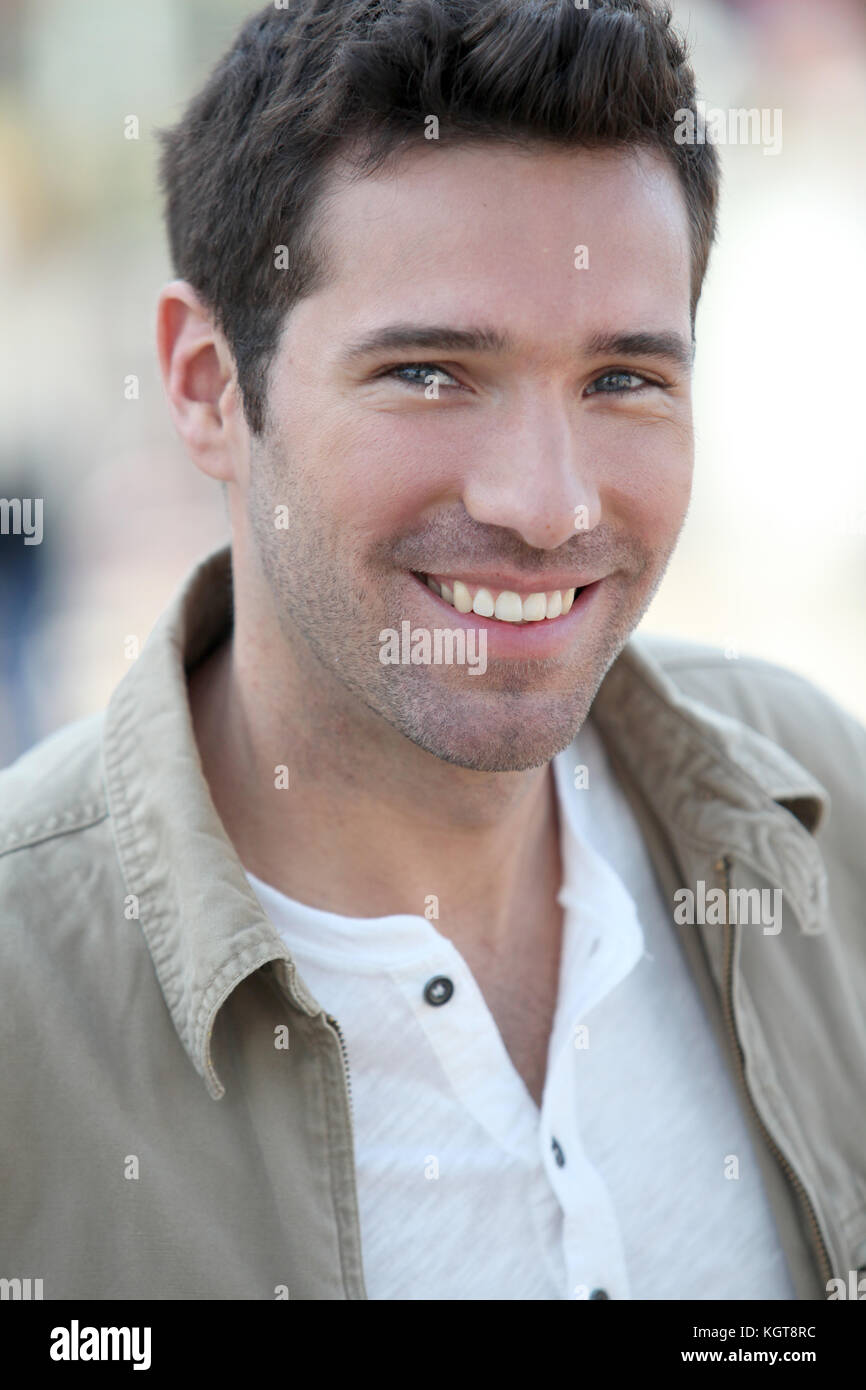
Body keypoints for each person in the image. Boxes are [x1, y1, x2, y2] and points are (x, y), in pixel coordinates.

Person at [1, 0, 864, 1303]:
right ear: (205, 385)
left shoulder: (819, 801)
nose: (548, 504)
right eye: (428, 372)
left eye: (621, 380)